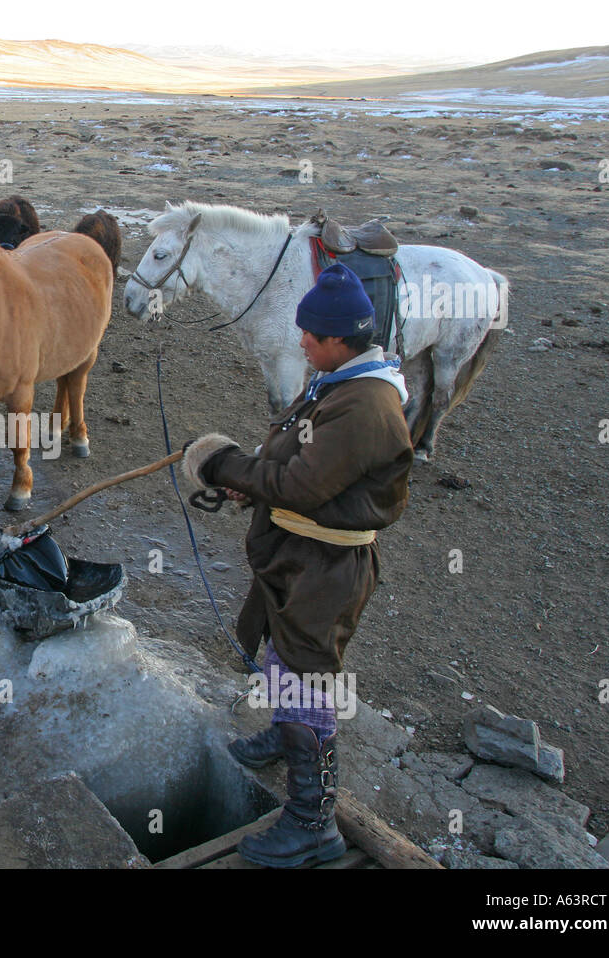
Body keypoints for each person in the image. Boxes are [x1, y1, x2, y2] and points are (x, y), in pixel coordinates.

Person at [181, 262, 414, 867]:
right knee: (285, 654)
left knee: (307, 673)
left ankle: (313, 822)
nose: (301, 342)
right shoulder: (339, 381)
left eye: (311, 335)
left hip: (326, 566)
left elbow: (301, 485)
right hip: (303, 556)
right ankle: (288, 736)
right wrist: (253, 481)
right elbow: (294, 463)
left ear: (341, 338)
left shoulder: (365, 406)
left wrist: (223, 466)